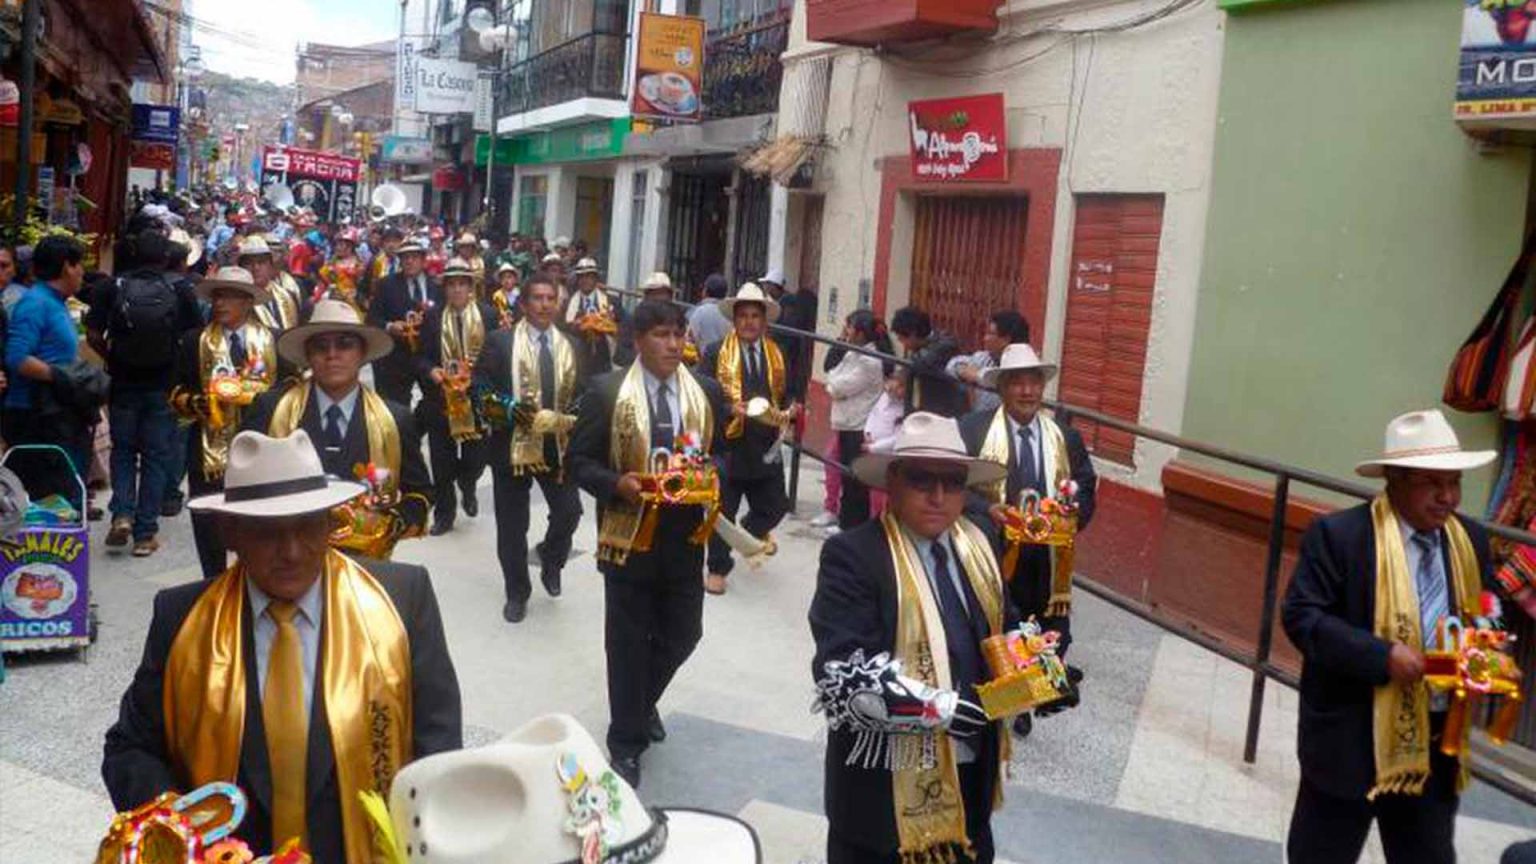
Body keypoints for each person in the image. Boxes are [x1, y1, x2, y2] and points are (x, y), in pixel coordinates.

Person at [101, 429, 462, 863]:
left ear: (332, 522)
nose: (291, 552)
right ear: (229, 531)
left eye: (308, 527)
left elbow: (438, 748)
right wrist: (185, 828)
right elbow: (129, 749)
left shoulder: (402, 599)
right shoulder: (181, 619)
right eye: (268, 532)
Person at [1281, 409, 1498, 864]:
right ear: (1394, 480)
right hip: (1349, 742)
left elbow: (1484, 611)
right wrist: (1382, 656)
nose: (1448, 498)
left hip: (1433, 746)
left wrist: (1484, 648)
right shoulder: (1341, 536)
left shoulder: (1471, 541)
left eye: (1455, 482)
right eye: (1432, 484)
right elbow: (1302, 617)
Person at [809, 411, 1018, 864]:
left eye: (954, 482)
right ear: (893, 481)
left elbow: (1005, 626)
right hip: (880, 806)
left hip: (969, 794)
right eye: (923, 480)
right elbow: (843, 678)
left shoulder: (979, 543)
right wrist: (944, 710)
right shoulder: (852, 556)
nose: (939, 496)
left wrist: (1044, 671)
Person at [568, 299, 727, 788]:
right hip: (626, 536)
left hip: (684, 538)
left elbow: (724, 457)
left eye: (679, 334)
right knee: (627, 641)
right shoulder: (606, 392)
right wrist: (618, 484)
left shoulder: (705, 391)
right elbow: (578, 461)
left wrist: (709, 474)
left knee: (685, 633)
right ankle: (626, 742)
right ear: (638, 340)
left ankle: (640, 703)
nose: (674, 344)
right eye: (661, 334)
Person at [959, 342, 1097, 739]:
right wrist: (988, 512)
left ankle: (1025, 696)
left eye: (1033, 382)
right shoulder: (974, 430)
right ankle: (1013, 703)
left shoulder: (1065, 438)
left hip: (1049, 560)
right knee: (1004, 628)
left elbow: (1086, 485)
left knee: (1053, 634)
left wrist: (1073, 515)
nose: (1027, 391)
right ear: (1001, 388)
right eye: (1017, 382)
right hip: (994, 553)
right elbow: (954, 485)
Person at [243, 300, 433, 559]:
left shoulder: (395, 420)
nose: (332, 354)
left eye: (344, 344)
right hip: (286, 562)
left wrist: (388, 524)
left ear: (362, 354)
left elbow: (419, 494)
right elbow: (243, 492)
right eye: (320, 346)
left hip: (365, 567)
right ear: (308, 355)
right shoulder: (271, 409)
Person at [474, 273, 585, 623]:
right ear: (524, 304)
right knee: (512, 526)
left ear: (558, 303)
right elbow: (478, 387)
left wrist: (574, 416)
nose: (544, 304)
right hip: (511, 446)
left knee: (569, 512)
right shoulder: (500, 341)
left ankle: (552, 560)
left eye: (550, 298)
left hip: (557, 447)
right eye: (537, 298)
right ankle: (516, 592)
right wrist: (508, 408)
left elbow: (584, 393)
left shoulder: (571, 345)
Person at [86, 229, 204, 556]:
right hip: (162, 385)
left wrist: (113, 358)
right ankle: (145, 533)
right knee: (156, 456)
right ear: (166, 258)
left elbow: (94, 333)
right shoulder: (181, 290)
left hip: (123, 384)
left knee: (123, 451)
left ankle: (122, 512)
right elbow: (196, 335)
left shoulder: (112, 287)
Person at [169, 266, 281, 579]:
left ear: (248, 301)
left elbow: (291, 389)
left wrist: (260, 401)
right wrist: (197, 403)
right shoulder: (195, 341)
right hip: (209, 451)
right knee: (208, 521)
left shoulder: (273, 340)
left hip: (263, 449)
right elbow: (176, 390)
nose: (220, 303)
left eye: (229, 296)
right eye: (217, 296)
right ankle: (213, 584)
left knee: (259, 521)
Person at [700, 282, 797, 596]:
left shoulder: (776, 354)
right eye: (743, 316)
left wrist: (791, 409)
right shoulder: (716, 352)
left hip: (764, 444)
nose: (749, 322)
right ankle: (717, 569)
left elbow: (788, 391)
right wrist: (730, 408)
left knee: (776, 506)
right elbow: (701, 394)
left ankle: (747, 535)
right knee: (722, 511)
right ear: (734, 319)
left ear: (764, 320)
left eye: (756, 316)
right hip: (728, 444)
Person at [3, 235, 89, 504]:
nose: (82, 273)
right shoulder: (35, 303)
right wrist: (63, 377)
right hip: (35, 416)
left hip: (58, 413)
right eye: (79, 265)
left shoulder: (55, 302)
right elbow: (17, 356)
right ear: (66, 267)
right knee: (48, 500)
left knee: (64, 498)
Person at [414, 258, 497, 536]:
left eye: (462, 284)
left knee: (477, 458)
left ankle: (468, 483)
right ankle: (445, 513)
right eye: (452, 285)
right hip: (442, 400)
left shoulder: (487, 315)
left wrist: (481, 379)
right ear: (445, 288)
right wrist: (432, 371)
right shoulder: (434, 317)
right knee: (441, 460)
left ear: (471, 287)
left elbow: (497, 354)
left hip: (476, 399)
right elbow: (421, 357)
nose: (457, 290)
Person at [825, 310, 893, 532]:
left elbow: (838, 387)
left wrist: (833, 385)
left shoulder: (870, 361)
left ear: (862, 333)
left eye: (851, 328)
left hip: (858, 424)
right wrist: (833, 384)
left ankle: (852, 525)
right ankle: (846, 521)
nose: (847, 331)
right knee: (846, 473)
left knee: (855, 479)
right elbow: (832, 373)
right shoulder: (854, 353)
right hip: (846, 422)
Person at [367, 237, 439, 406]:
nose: (410, 261)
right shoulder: (386, 285)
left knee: (435, 407)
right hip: (395, 358)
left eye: (414, 257)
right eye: (405, 257)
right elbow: (371, 318)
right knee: (395, 410)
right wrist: (390, 326)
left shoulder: (437, 287)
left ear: (423, 260)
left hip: (429, 358)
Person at [947, 310, 1030, 414]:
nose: (985, 338)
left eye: (991, 334)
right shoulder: (986, 357)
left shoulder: (1025, 365)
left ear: (1006, 339)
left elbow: (1000, 381)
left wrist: (979, 375)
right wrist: (963, 370)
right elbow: (952, 364)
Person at [891, 306, 965, 417]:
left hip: (941, 413)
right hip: (918, 413)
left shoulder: (945, 344)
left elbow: (921, 363)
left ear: (913, 334)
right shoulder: (919, 348)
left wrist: (901, 377)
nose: (903, 344)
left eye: (902, 339)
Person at [561, 257, 623, 375]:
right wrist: (575, 326)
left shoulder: (611, 301)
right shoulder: (568, 304)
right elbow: (562, 330)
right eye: (582, 277)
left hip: (603, 358)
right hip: (578, 359)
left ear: (596, 278)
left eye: (589, 276)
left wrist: (610, 325)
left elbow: (623, 328)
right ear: (577, 280)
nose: (585, 280)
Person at [238, 236, 303, 333]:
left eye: (261, 262)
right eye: (249, 263)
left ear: (271, 266)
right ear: (241, 268)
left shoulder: (289, 296)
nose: (256, 268)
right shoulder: (236, 302)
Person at [317, 227, 365, 315]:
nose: (338, 247)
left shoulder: (359, 264)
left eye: (342, 245)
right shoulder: (331, 263)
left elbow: (362, 285)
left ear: (350, 247)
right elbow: (322, 282)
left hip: (351, 301)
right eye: (337, 244)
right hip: (332, 299)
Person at [687, 272, 732, 352]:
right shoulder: (729, 313)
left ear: (706, 291)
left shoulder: (698, 312)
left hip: (703, 360)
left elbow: (690, 339)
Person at [453, 231, 486, 295]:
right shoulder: (454, 262)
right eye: (464, 246)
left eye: (470, 246)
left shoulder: (479, 262)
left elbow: (479, 278)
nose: (467, 249)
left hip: (475, 296)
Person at [490, 261, 520, 328]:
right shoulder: (497, 296)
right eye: (503, 278)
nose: (506, 280)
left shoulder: (521, 294)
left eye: (509, 277)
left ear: (515, 279)